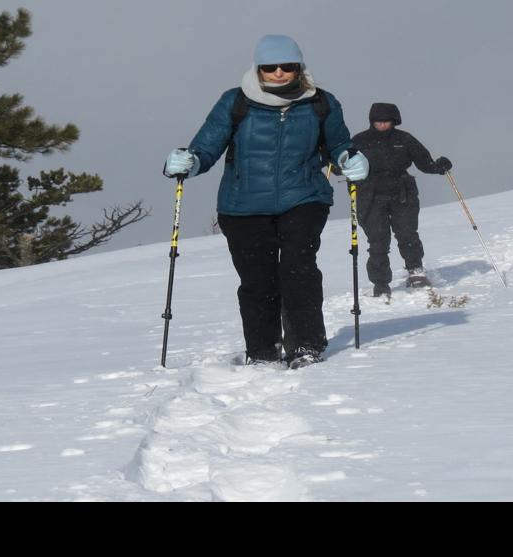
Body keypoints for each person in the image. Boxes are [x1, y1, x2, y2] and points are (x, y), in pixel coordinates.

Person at [164, 35, 369, 369]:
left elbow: (339, 145)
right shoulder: (235, 101)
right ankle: (263, 351)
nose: (278, 73)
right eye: (269, 67)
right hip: (243, 206)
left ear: (299, 67)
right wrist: (189, 161)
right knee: (258, 280)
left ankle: (306, 345)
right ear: (258, 68)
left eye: (287, 66)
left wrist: (351, 159)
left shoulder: (321, 103)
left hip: (303, 197)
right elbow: (207, 146)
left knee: (298, 271)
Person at [349, 103, 452, 297]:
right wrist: (337, 164)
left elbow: (424, 162)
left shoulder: (404, 139)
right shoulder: (360, 140)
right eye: (378, 121)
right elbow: (345, 163)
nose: (381, 125)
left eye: (386, 121)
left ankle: (416, 271)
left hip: (402, 193)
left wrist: (438, 166)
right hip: (370, 196)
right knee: (378, 240)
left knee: (407, 233)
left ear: (394, 121)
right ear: (371, 121)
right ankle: (380, 283)